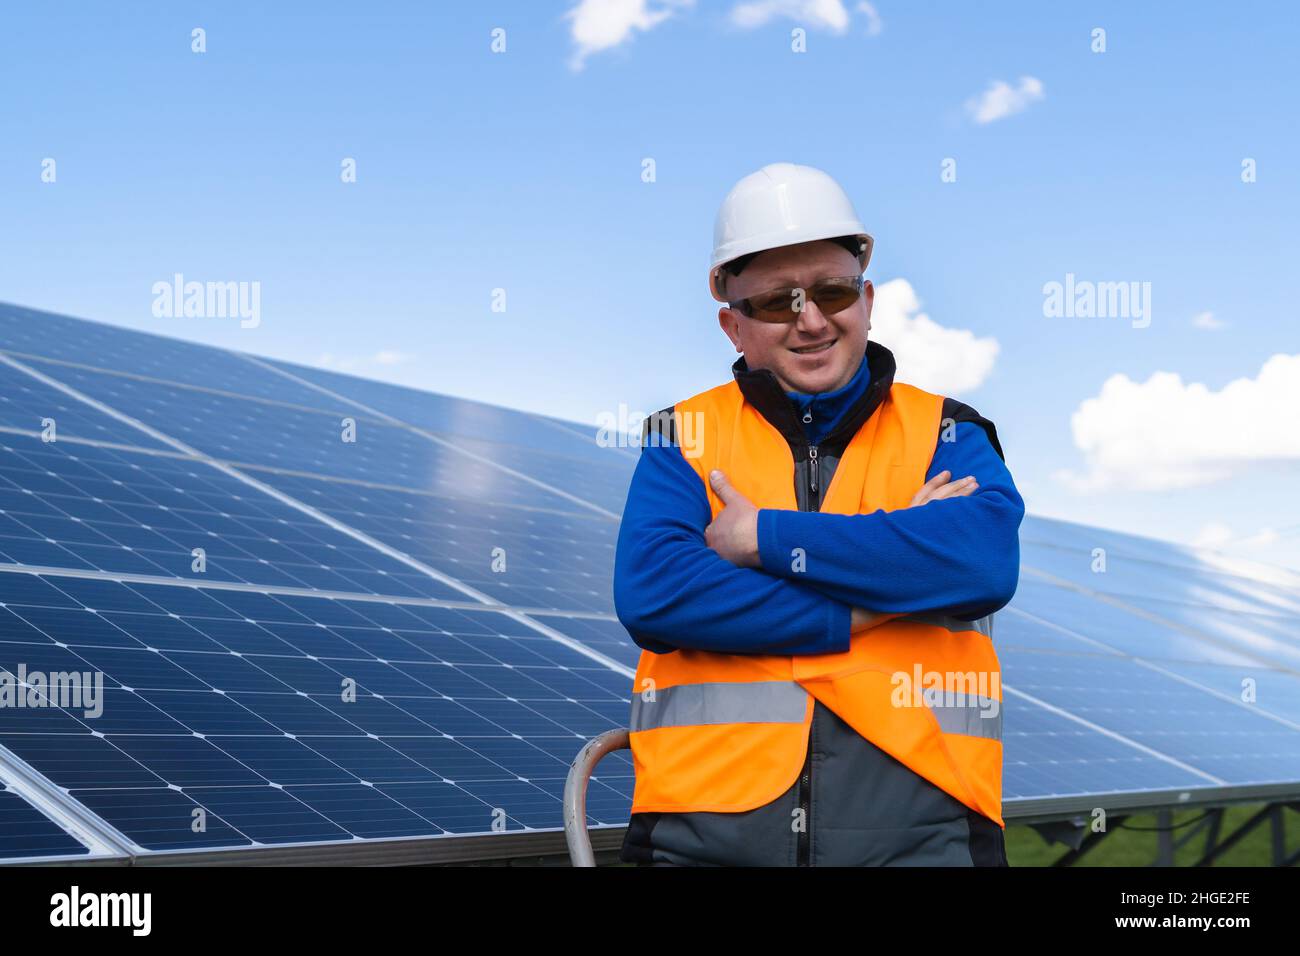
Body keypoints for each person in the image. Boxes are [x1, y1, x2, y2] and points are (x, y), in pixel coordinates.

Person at [612, 162, 1025, 866]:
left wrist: (760, 537)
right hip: (700, 838)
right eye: (778, 302)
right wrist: (877, 600)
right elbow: (657, 594)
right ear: (733, 325)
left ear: (866, 299)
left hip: (925, 835)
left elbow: (980, 563)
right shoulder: (681, 435)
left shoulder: (948, 430)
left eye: (832, 292)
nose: (811, 319)